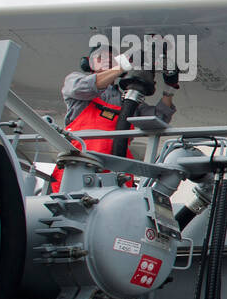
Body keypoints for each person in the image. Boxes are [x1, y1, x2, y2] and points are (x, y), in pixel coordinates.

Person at [49, 43, 179, 191]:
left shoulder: (128, 99)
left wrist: (170, 88)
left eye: (111, 58)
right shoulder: (75, 81)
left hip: (116, 170)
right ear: (89, 63)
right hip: (79, 164)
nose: (106, 60)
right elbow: (84, 87)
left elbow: (159, 118)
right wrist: (123, 65)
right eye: (99, 57)